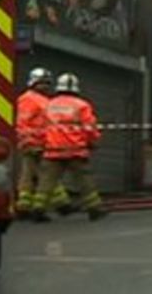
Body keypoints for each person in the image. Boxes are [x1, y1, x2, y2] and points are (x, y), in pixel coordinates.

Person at [30, 72, 108, 222]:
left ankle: (38, 209)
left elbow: (41, 127)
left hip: (53, 150)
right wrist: (93, 142)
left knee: (46, 181)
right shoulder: (82, 105)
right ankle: (94, 209)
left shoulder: (49, 105)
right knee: (84, 180)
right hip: (75, 150)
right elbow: (89, 128)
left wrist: (41, 144)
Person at [15, 68, 71, 219]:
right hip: (34, 144)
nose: (45, 86)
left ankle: (24, 206)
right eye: (42, 83)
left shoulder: (43, 99)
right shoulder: (28, 99)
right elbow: (22, 122)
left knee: (31, 174)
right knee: (46, 174)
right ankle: (59, 204)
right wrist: (28, 141)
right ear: (33, 83)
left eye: (47, 83)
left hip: (44, 143)